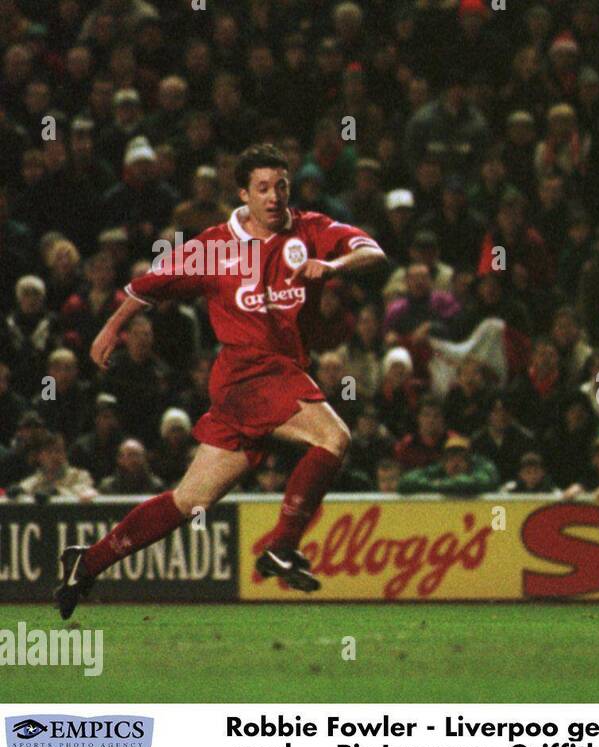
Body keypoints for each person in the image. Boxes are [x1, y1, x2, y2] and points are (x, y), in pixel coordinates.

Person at [55, 144, 386, 618]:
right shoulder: (214, 246)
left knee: (189, 500)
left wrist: (333, 266)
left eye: (281, 186)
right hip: (249, 372)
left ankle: (86, 563)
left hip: (266, 380)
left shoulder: (308, 229)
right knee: (333, 437)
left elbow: (372, 250)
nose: (274, 197)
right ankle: (281, 546)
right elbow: (151, 283)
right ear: (243, 194)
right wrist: (111, 328)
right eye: (263, 188)